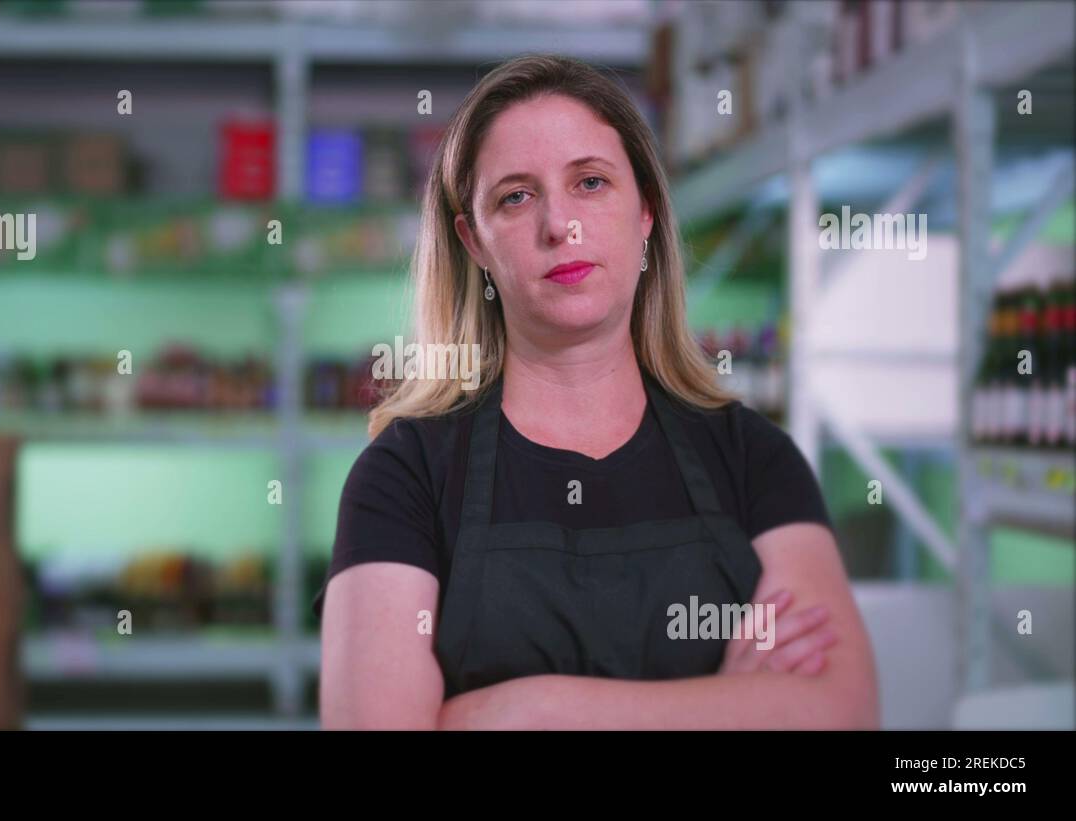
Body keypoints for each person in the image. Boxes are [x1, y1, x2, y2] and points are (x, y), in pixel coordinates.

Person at [313, 54, 879, 730]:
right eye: (515, 196)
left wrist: (525, 710)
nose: (562, 225)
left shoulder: (752, 457)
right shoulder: (404, 476)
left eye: (590, 181)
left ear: (645, 211)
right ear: (475, 245)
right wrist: (731, 709)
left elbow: (840, 713)